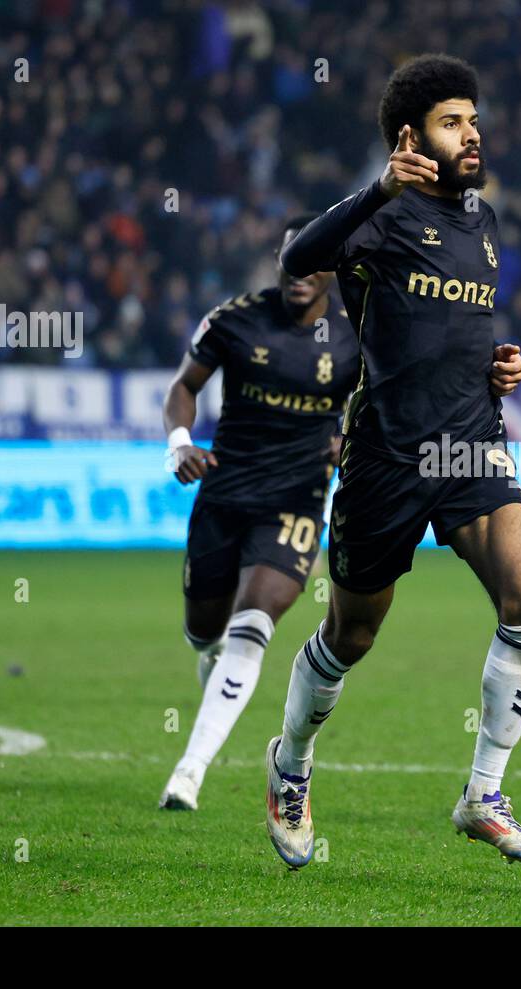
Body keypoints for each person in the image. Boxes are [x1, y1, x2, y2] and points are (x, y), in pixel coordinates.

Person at [265, 54, 521, 868]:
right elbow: (296, 260)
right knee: (352, 634)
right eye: (454, 122)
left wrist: (497, 366)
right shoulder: (377, 219)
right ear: (410, 136)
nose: (472, 135)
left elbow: (453, 328)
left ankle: (483, 793)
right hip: (385, 457)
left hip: (470, 445)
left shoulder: (483, 223)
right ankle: (290, 764)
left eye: (474, 120)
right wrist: (380, 191)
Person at [156, 216, 360, 810]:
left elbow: (380, 398)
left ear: (334, 269)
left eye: (315, 261)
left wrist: (351, 436)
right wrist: (179, 443)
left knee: (255, 625)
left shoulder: (355, 336)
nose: (302, 271)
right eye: (292, 258)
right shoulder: (234, 319)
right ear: (279, 258)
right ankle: (209, 659)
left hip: (295, 501)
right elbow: (183, 386)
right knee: (204, 632)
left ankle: (189, 772)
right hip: (223, 493)